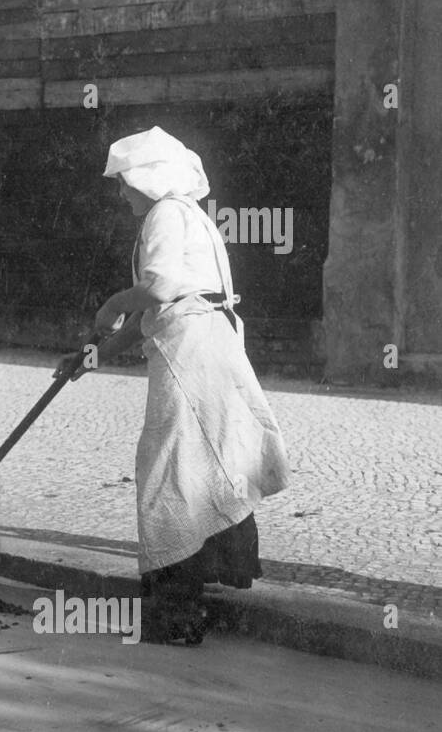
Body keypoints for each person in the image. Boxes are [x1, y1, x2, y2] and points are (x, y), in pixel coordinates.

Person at [56, 126, 291, 644]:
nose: (121, 194)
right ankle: (208, 582)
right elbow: (162, 310)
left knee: (166, 469)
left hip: (190, 352)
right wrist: (89, 357)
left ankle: (176, 613)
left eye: (124, 182)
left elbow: (156, 291)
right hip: (210, 343)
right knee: (212, 459)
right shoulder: (193, 217)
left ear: (148, 178)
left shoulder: (165, 214)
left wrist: (113, 304)